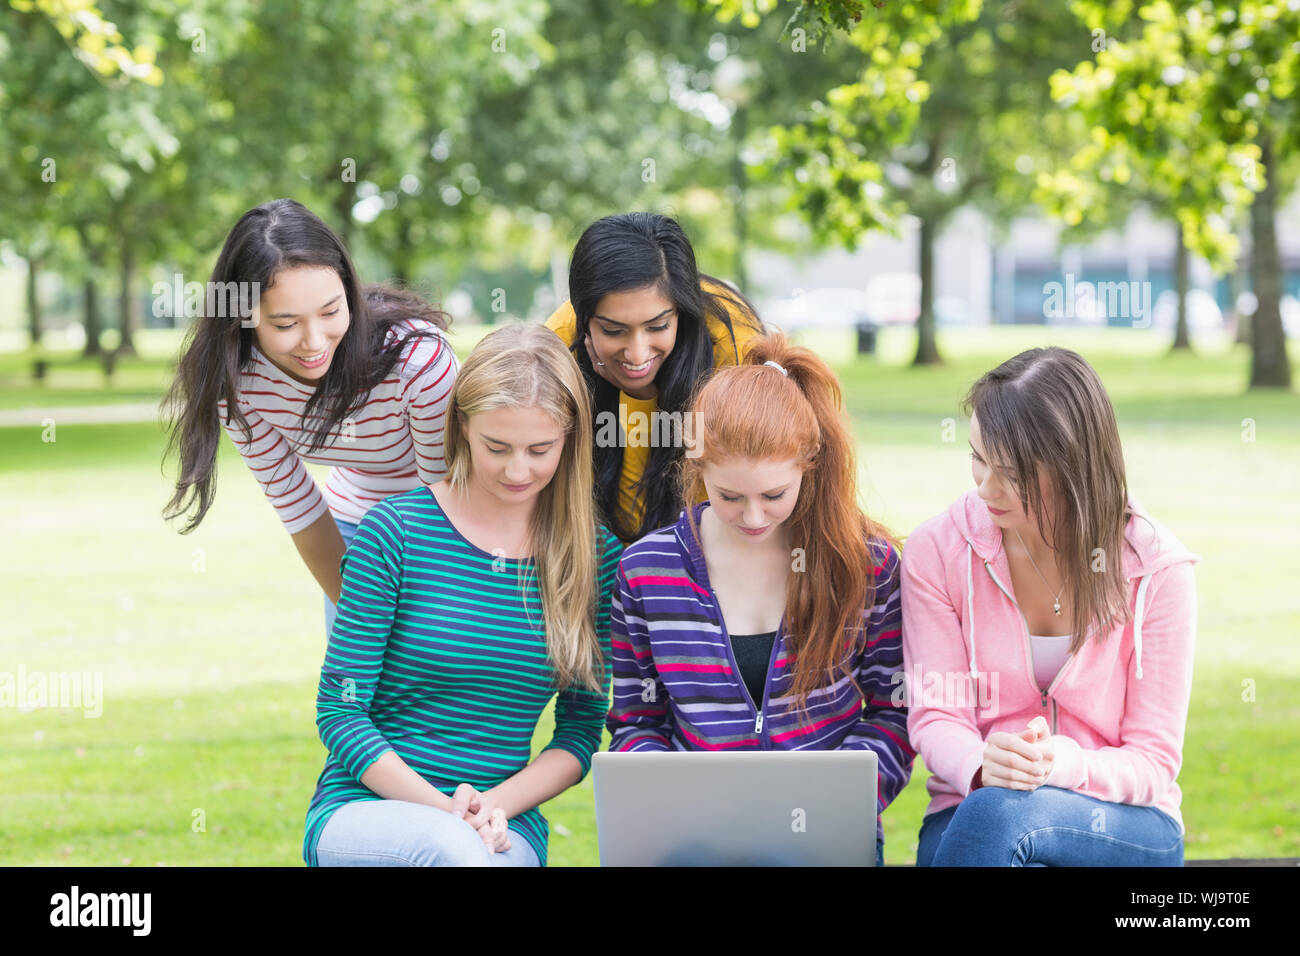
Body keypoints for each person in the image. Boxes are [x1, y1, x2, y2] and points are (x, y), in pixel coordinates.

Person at [302, 324, 623, 867]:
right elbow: (340, 710)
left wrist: (492, 807)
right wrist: (449, 814)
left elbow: (580, 732)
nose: (517, 470)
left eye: (539, 449)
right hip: (365, 808)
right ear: (461, 427)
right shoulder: (395, 532)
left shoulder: (595, 558)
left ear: (569, 440)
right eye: (496, 447)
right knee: (453, 852)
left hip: (504, 823)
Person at [604, 332, 913, 866]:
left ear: (807, 465)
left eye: (774, 495)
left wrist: (836, 801)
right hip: (693, 843)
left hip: (823, 840)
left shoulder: (867, 566)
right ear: (697, 467)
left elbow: (896, 712)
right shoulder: (646, 572)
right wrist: (670, 801)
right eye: (729, 497)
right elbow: (637, 721)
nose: (753, 518)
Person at [901, 347, 1199, 866]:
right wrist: (981, 764)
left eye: (1011, 472)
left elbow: (1152, 762)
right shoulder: (937, 551)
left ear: (1071, 466)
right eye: (976, 458)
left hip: (1121, 819)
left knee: (1001, 816)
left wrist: (1061, 764)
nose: (985, 487)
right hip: (970, 809)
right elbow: (936, 714)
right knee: (995, 817)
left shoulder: (1158, 570)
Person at [161, 199, 458, 638]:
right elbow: (297, 507)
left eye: (331, 311)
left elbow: (445, 494)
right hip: (355, 522)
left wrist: (430, 615)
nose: (314, 342)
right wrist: (364, 622)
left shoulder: (418, 360)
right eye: (285, 325)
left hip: (447, 520)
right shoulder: (236, 383)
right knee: (358, 692)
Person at [545, 211, 765, 543]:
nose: (636, 353)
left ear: (682, 311)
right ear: (585, 318)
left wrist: (637, 395)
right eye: (613, 330)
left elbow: (730, 496)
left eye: (658, 326)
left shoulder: (734, 342)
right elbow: (631, 526)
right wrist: (638, 396)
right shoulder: (560, 341)